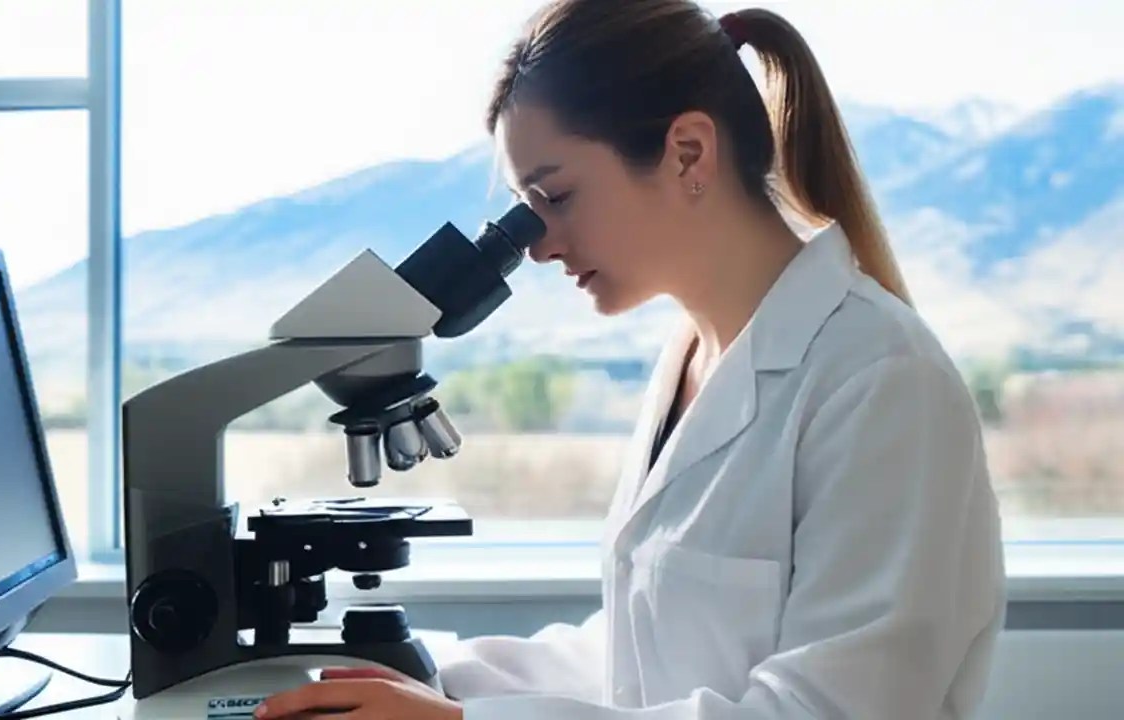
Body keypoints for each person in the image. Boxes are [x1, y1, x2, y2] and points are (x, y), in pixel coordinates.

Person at [256, 1, 1006, 718]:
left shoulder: (880, 381)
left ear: (687, 152)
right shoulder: (691, 359)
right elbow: (640, 656)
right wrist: (429, 680)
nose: (540, 245)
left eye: (555, 196)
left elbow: (828, 710)